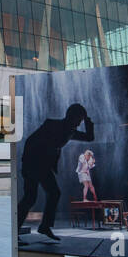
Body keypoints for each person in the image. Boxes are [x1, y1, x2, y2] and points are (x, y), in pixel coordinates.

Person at [17, 103, 94, 242]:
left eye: (81, 121)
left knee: (52, 193)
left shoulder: (70, 132)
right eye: (79, 119)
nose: (78, 124)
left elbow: (89, 137)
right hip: (33, 163)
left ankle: (45, 226)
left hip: (41, 166)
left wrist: (88, 122)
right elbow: (31, 140)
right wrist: (28, 160)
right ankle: (17, 230)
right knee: (31, 197)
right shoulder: (52, 124)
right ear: (72, 116)